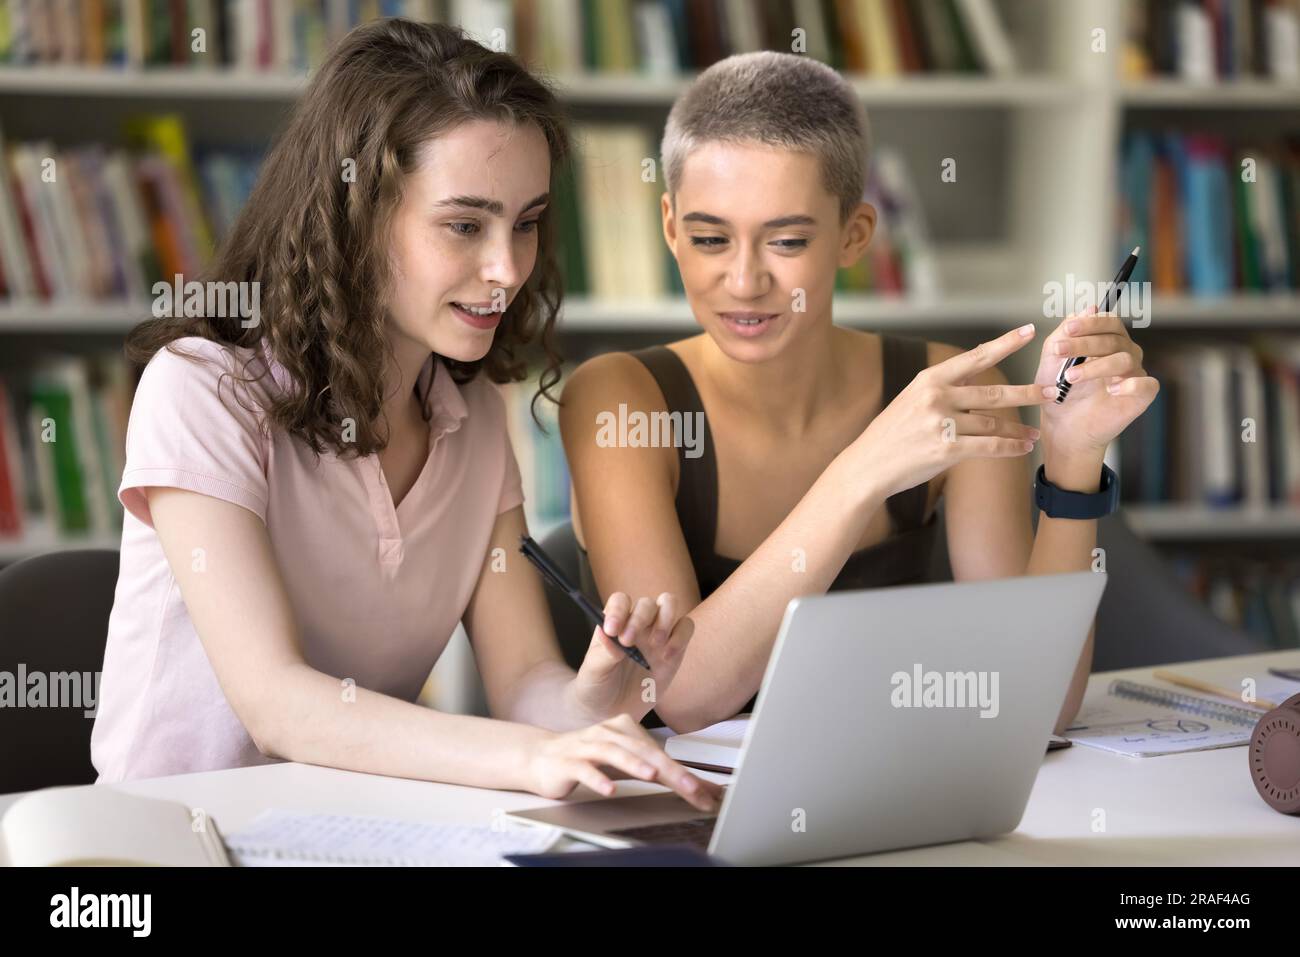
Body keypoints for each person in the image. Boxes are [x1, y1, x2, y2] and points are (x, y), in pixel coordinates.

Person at [91, 19, 720, 814]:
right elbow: (276, 702)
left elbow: (524, 677)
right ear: (353, 215)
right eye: (465, 225)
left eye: (525, 223)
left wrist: (592, 701)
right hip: (166, 841)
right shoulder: (202, 391)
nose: (506, 270)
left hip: (350, 830)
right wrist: (529, 754)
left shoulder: (476, 415)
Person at [560, 52, 1157, 734]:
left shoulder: (951, 395)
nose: (744, 279)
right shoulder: (619, 401)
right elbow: (681, 693)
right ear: (670, 228)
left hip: (881, 804)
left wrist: (1074, 457)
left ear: (854, 235)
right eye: (709, 238)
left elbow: (1039, 701)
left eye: (785, 240)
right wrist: (862, 471)